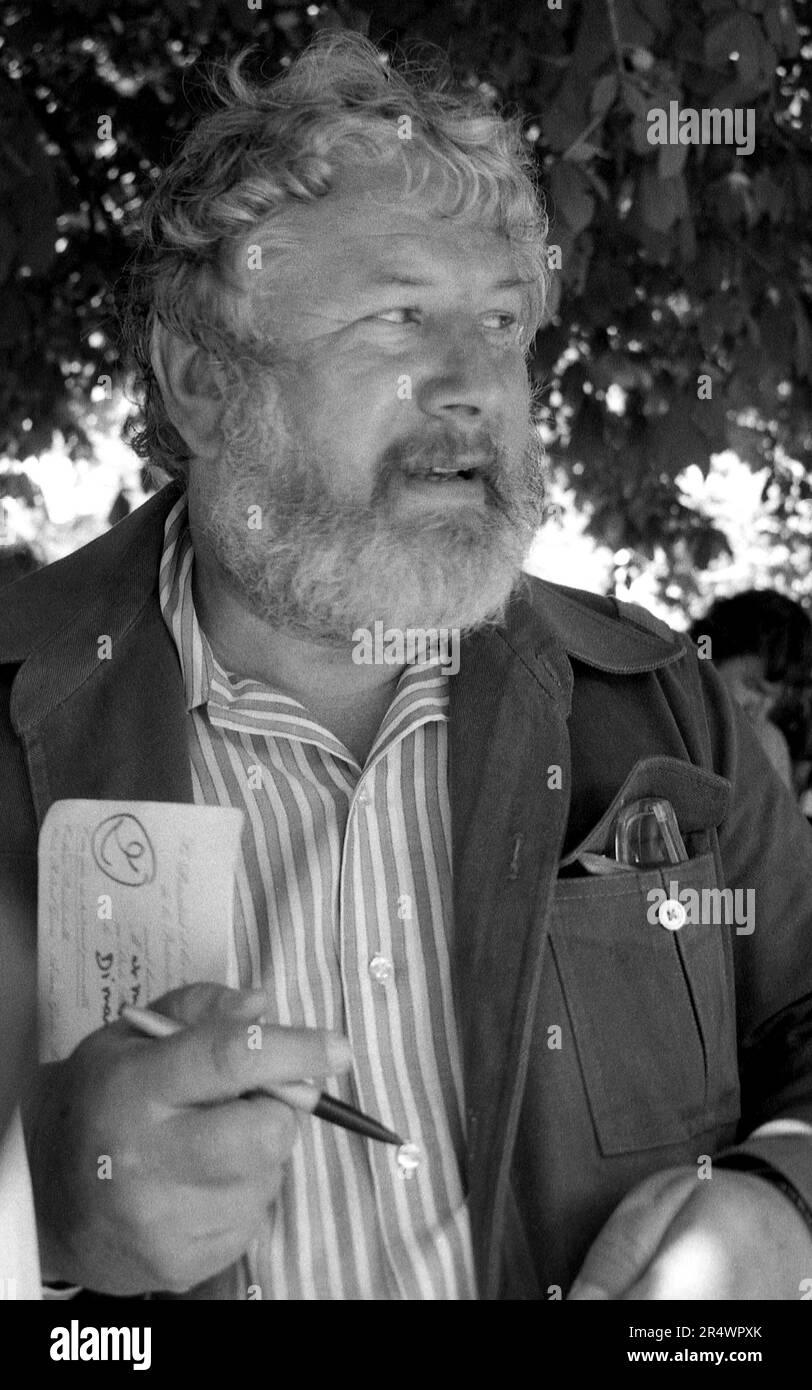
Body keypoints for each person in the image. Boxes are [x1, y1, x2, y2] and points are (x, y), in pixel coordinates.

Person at [1, 32, 811, 1302]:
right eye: (399, 316)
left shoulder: (662, 703)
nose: (477, 385)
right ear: (205, 383)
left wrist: (779, 1199)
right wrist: (35, 1220)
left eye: (503, 323)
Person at [690, 590, 812, 792]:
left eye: (773, 699)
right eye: (752, 686)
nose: (760, 709)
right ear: (712, 659)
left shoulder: (765, 740)